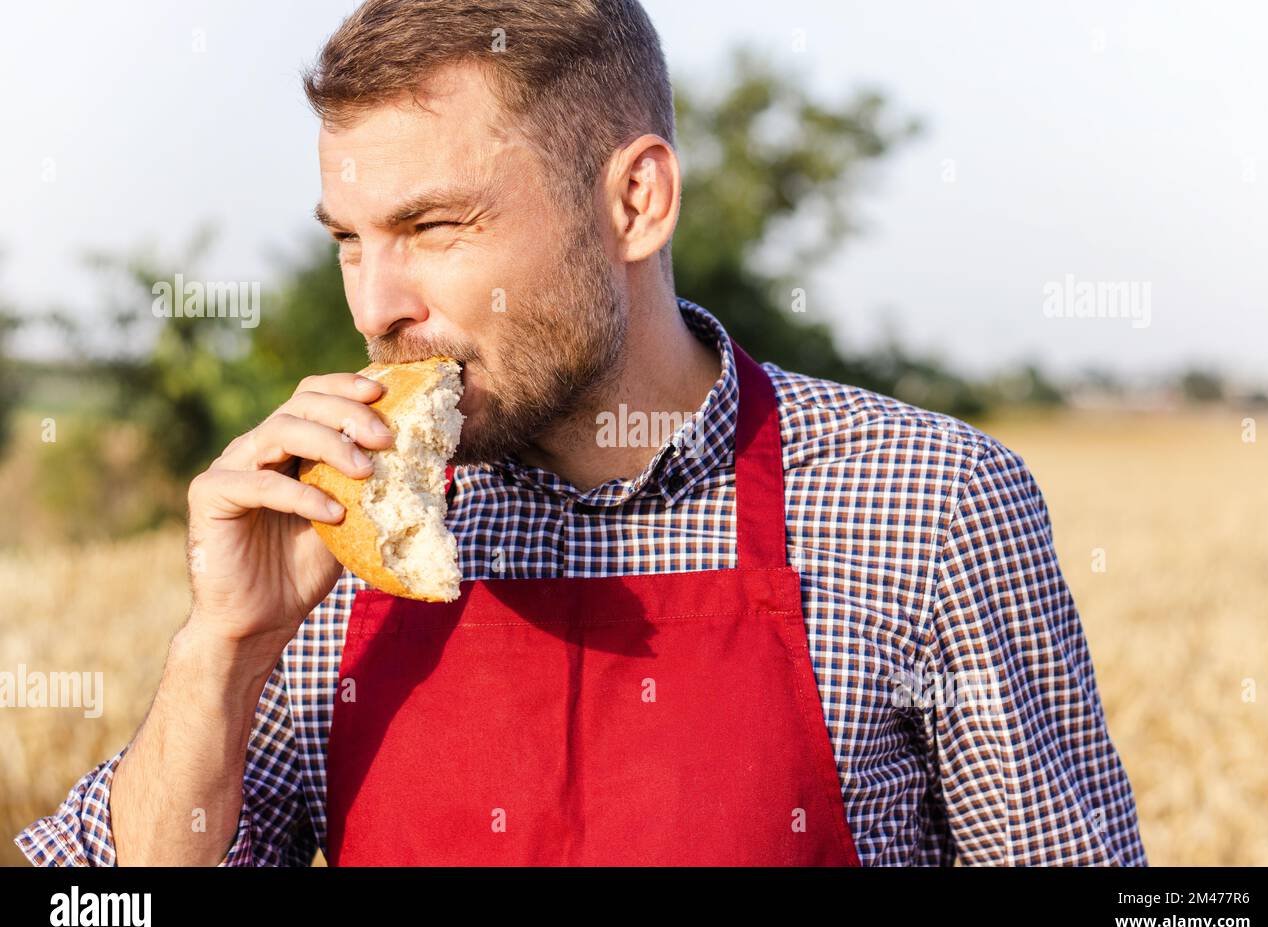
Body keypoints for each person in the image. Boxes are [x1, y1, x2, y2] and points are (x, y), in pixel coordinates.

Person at [15, 0, 1145, 866]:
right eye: (350, 239)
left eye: (434, 225)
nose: (374, 307)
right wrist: (223, 648)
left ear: (636, 202)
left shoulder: (928, 500)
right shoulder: (337, 541)